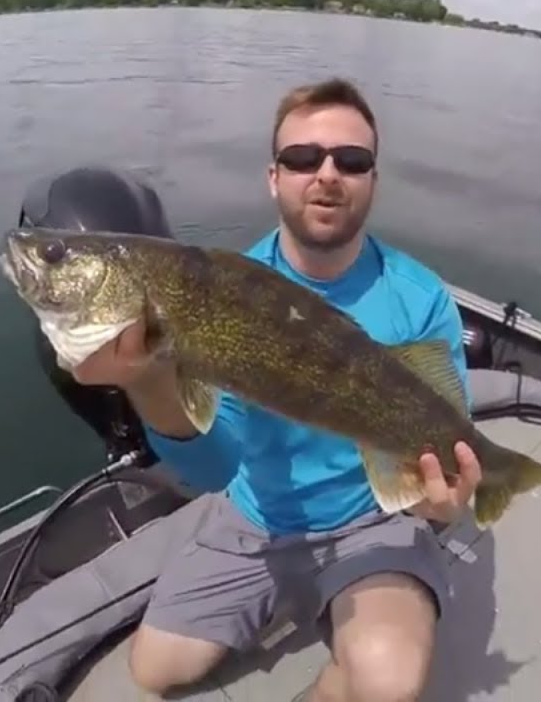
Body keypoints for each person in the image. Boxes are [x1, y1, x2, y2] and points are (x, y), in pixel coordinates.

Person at [68, 77, 484, 702]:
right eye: (301, 158)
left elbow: (445, 444)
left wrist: (443, 509)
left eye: (351, 160)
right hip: (255, 513)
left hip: (369, 517)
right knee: (154, 669)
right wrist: (148, 381)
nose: (326, 174)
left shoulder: (421, 300)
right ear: (273, 177)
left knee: (386, 679)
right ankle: (286, 595)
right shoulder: (223, 292)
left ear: (373, 179)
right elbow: (216, 465)